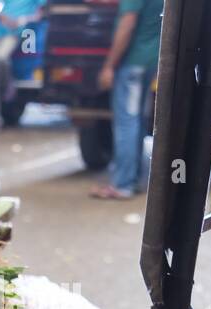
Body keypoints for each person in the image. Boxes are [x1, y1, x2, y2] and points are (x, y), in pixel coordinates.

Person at [90, 0, 164, 199]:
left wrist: (109, 66)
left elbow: (127, 23)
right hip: (149, 61)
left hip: (132, 63)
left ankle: (122, 184)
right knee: (137, 120)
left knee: (126, 123)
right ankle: (133, 179)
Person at [0, 0, 46, 137]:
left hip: (14, 34)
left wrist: (22, 20)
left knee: (0, 58)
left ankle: (9, 86)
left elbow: (42, 12)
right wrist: (1, 17)